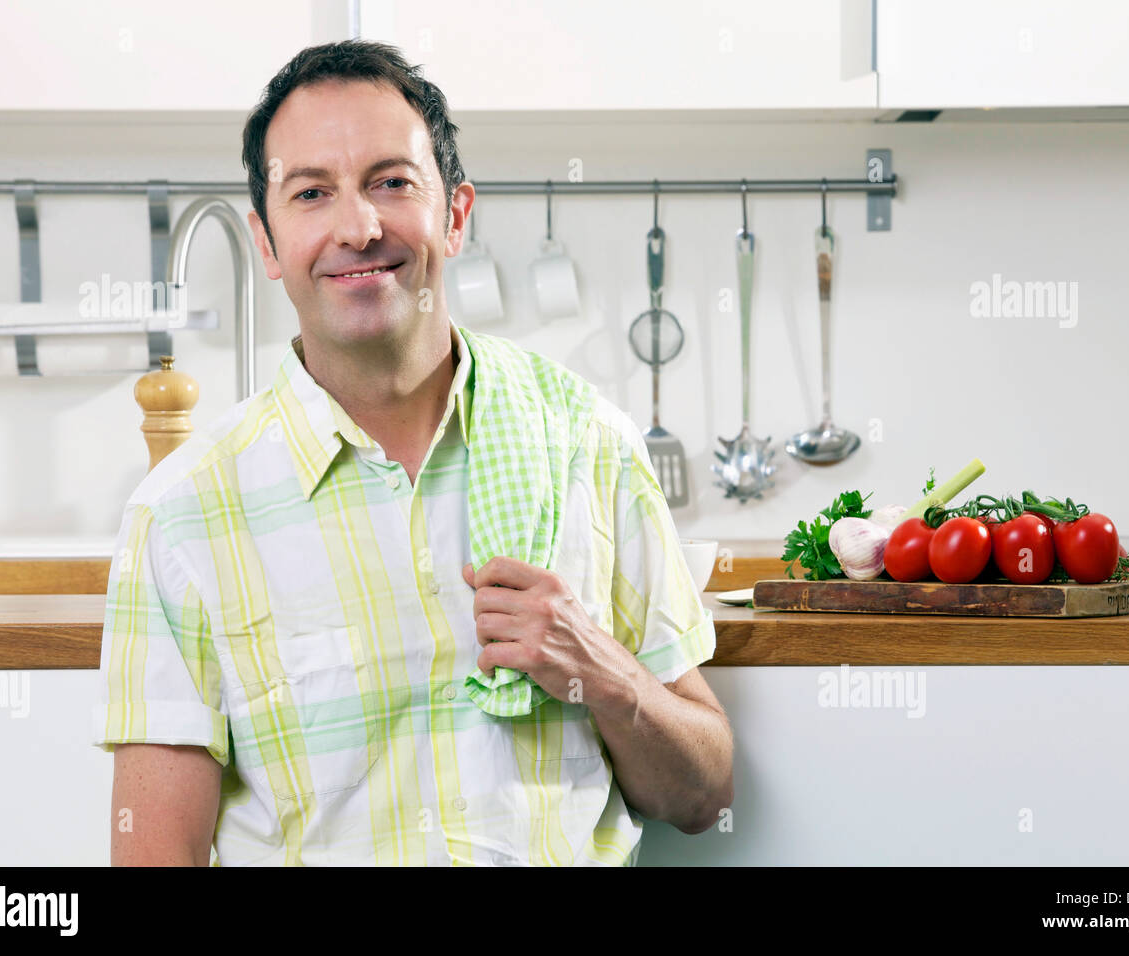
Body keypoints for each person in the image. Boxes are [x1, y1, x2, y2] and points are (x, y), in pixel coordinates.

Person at [92, 38, 732, 866]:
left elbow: (702, 794)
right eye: (312, 192)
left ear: (455, 215)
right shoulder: (180, 517)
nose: (358, 228)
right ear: (267, 242)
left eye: (392, 182)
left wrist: (603, 672)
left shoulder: (588, 444)